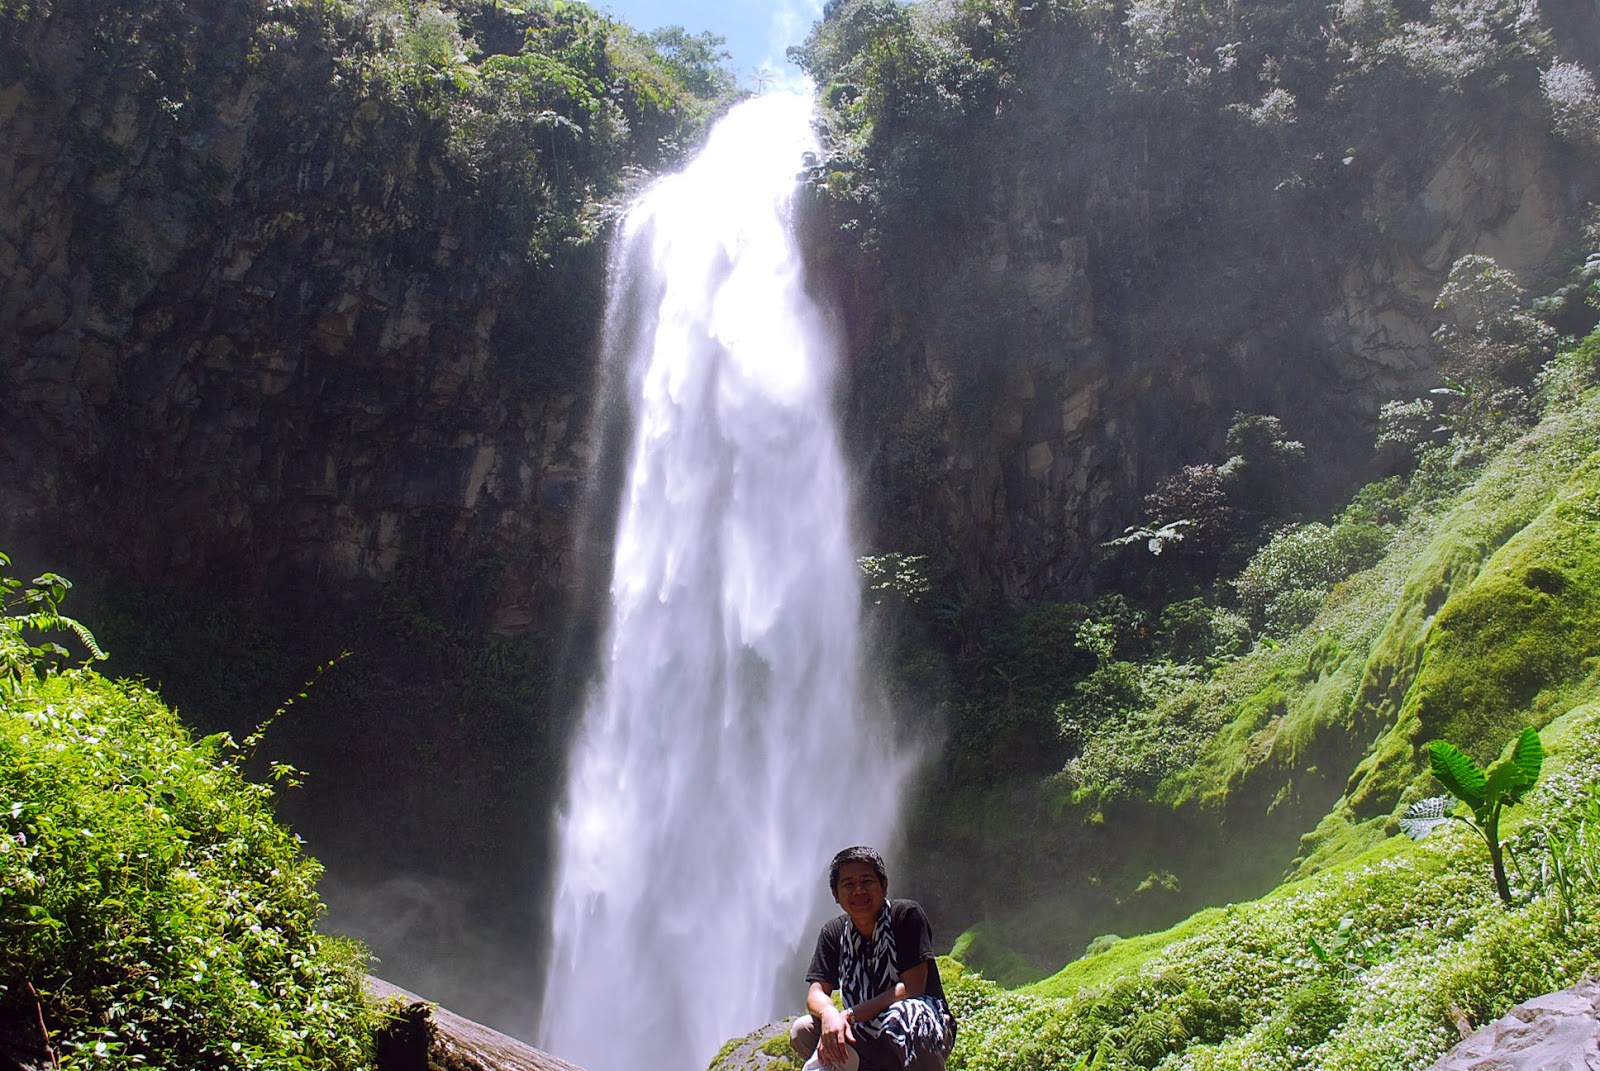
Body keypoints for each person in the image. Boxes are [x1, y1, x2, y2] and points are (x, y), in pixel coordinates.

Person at [789, 846, 956, 1071]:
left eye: (866, 881)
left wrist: (849, 1014)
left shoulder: (905, 916)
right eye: (848, 885)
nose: (858, 891)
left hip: (920, 1029)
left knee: (907, 1015)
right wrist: (830, 1014)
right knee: (803, 1030)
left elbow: (911, 988)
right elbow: (816, 991)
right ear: (835, 894)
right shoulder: (833, 932)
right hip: (863, 1033)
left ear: (884, 885)